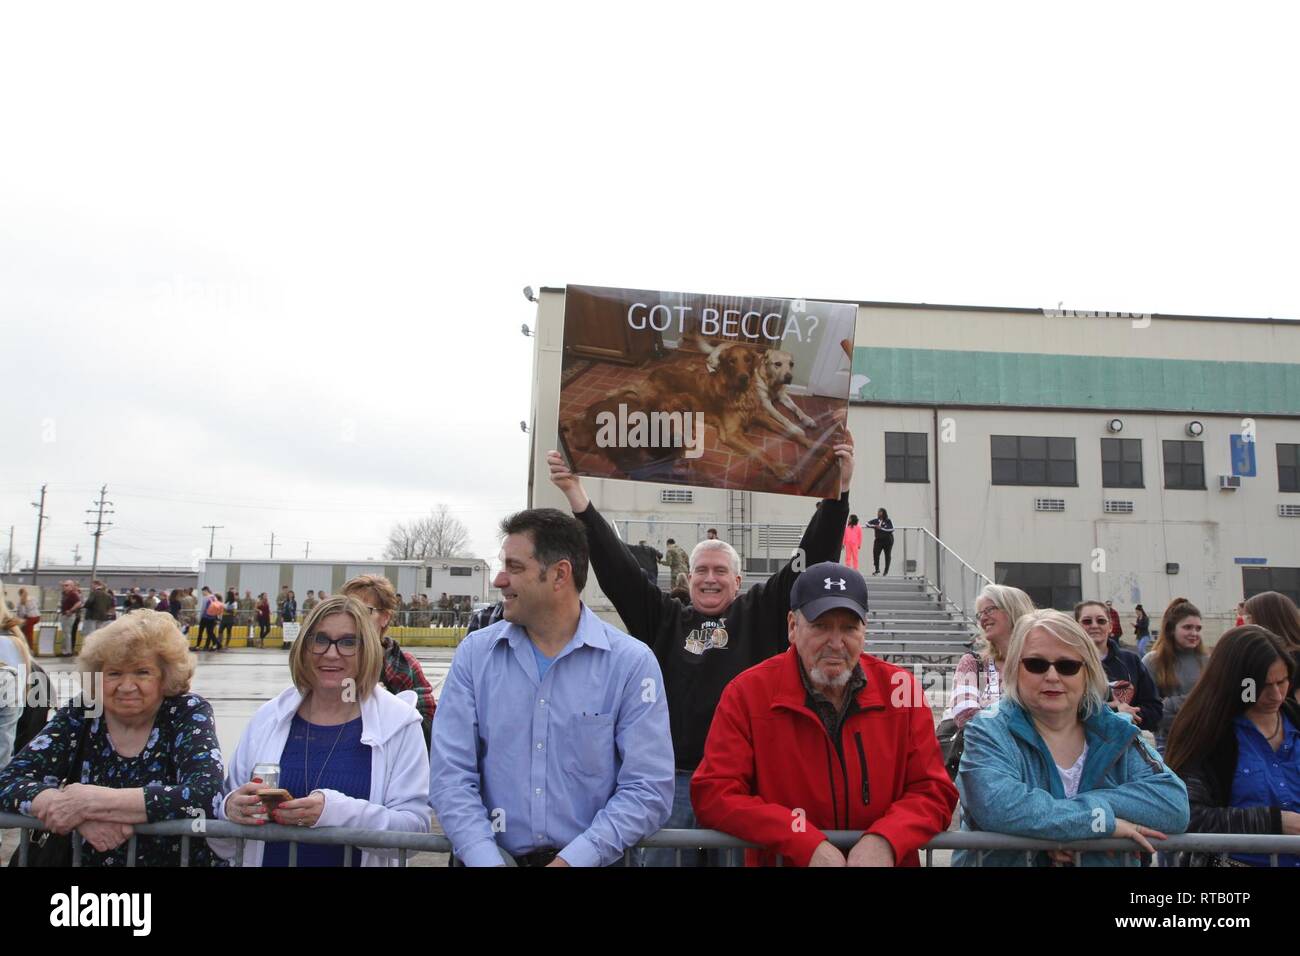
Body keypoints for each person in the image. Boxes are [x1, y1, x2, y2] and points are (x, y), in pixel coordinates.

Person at [546, 433, 856, 866]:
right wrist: (578, 497)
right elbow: (619, 572)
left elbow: (813, 557)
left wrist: (836, 493)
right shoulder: (665, 618)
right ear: (688, 578)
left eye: (720, 571)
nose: (709, 578)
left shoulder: (761, 611)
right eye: (701, 570)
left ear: (738, 578)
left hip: (742, 784)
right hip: (672, 781)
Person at [430, 508, 673, 867]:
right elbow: (451, 777)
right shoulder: (475, 655)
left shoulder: (631, 664)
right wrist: (486, 859)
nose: (499, 580)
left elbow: (648, 789)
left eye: (514, 568)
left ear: (560, 574)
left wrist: (574, 860)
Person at [692, 562, 957, 866]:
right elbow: (714, 793)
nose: (835, 643)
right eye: (820, 626)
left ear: (864, 630)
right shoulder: (747, 693)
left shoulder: (902, 689)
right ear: (793, 626)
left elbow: (934, 790)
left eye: (848, 627)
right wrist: (800, 838)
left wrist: (886, 838)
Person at [954, 609, 1189, 866]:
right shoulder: (987, 729)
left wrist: (1075, 821)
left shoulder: (1114, 730)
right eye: (1036, 664)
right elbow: (997, 806)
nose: (1052, 676)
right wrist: (1101, 823)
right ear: (1014, 669)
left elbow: (1173, 805)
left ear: (1086, 672)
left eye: (1068, 666)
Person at [214, 596, 430, 867]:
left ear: (368, 651)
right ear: (304, 647)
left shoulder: (399, 723)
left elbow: (413, 830)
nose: (331, 653)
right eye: (320, 639)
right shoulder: (269, 718)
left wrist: (335, 812)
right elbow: (223, 817)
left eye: (348, 642)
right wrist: (230, 808)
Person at [0, 610, 226, 865]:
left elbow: (206, 795)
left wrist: (92, 802)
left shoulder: (186, 711)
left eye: (142, 672)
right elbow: (7, 781)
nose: (127, 686)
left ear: (165, 676)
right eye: (114, 673)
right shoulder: (84, 711)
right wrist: (61, 805)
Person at [1165, 626, 1300, 866]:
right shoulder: (1206, 733)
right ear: (1234, 682)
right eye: (1263, 686)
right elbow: (1186, 815)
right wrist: (1274, 822)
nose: (1277, 695)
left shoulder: (1295, 719)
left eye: (1283, 681)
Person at [340, 575, 437, 749]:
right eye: (347, 608)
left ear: (385, 617)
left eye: (364, 610)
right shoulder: (328, 659)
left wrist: (387, 704)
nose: (353, 616)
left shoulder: (405, 665)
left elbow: (428, 731)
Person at [943, 584, 1035, 729]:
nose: (983, 618)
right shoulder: (973, 662)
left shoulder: (1041, 662)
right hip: (985, 748)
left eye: (990, 610)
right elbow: (964, 714)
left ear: (1014, 610)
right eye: (980, 614)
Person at [1075, 601, 1162, 732]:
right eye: (1087, 621)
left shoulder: (1131, 661)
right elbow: (1064, 711)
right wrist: (1115, 711)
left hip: (1125, 746)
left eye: (1101, 621)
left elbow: (1154, 709)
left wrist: (1130, 715)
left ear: (1110, 627)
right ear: (1076, 627)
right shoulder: (1066, 664)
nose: (1094, 625)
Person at [1142, 600, 1207, 753]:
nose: (1194, 633)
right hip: (1168, 744)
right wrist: (1193, 703)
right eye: (1187, 627)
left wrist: (1173, 704)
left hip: (1206, 741)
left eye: (1198, 628)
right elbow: (1151, 713)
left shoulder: (1209, 662)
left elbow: (1216, 704)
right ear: (1171, 629)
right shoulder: (1152, 661)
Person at [1242, 591, 1300, 698]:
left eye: (1248, 617)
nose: (1245, 624)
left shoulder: (1286, 659)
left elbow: (1248, 698)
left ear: (1265, 620)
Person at [57, 580, 83, 657]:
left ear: (71, 586)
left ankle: (67, 651)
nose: (64, 587)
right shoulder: (65, 594)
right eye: (64, 585)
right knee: (65, 633)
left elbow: (79, 603)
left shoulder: (73, 594)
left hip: (69, 616)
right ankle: (65, 650)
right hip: (64, 614)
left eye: (67, 585)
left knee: (67, 633)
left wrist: (71, 610)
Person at [865, 508, 894, 576]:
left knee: (887, 555)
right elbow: (867, 524)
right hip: (878, 540)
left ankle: (886, 571)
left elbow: (892, 529)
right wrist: (874, 526)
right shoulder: (876, 520)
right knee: (875, 553)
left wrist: (881, 528)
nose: (878, 513)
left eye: (880, 512)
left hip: (888, 540)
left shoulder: (888, 520)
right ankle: (877, 569)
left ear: (883, 513)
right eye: (878, 512)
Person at [15, 588, 40, 654]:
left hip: (30, 618)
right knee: (25, 631)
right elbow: (37, 604)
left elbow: (22, 613)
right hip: (37, 617)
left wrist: (19, 619)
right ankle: (26, 647)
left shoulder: (22, 601)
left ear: (19, 594)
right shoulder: (33, 598)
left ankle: (30, 650)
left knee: (28, 634)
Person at [196, 586, 218, 651]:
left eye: (202, 592)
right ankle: (212, 645)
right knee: (210, 632)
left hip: (205, 617)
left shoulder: (206, 598)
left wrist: (200, 617)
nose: (202, 593)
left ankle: (197, 645)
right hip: (212, 618)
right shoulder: (214, 597)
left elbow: (203, 608)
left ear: (205, 591)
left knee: (200, 632)